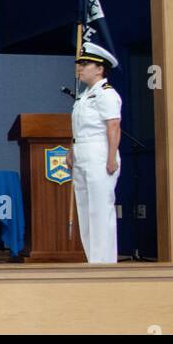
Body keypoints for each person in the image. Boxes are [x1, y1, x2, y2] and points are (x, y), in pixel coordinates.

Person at [68, 42, 122, 264]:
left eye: (85, 64)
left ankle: (105, 262)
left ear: (99, 69)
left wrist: (111, 158)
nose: (80, 68)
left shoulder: (106, 94)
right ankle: (93, 260)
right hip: (82, 151)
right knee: (85, 209)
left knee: (100, 210)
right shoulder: (84, 95)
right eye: (80, 64)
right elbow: (78, 129)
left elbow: (113, 127)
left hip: (99, 153)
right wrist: (72, 152)